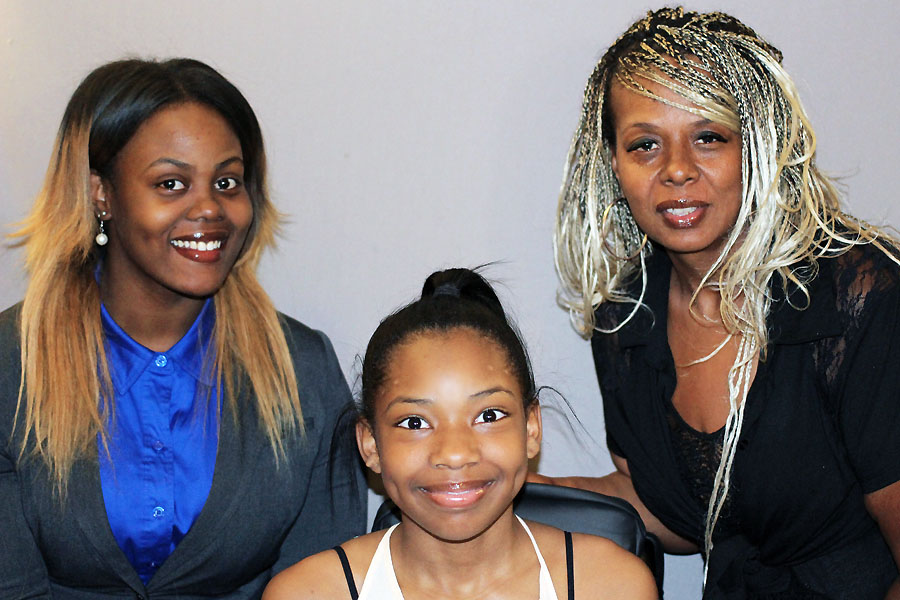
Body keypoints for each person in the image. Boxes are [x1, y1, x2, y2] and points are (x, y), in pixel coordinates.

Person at [535, 7, 900, 599]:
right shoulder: (627, 317)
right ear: (613, 165)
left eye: (709, 137)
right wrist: (497, 487)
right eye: (645, 144)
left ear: (758, 146)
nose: (677, 170)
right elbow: (672, 512)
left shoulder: (860, 298)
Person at [0, 58, 365, 599]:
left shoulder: (304, 369)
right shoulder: (10, 366)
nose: (209, 208)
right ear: (101, 194)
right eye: (171, 183)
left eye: (227, 181)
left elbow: (320, 583)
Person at [264, 268, 656, 599]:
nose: (454, 453)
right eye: (415, 422)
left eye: (488, 414)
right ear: (370, 444)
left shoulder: (610, 585)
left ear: (531, 428)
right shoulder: (308, 592)